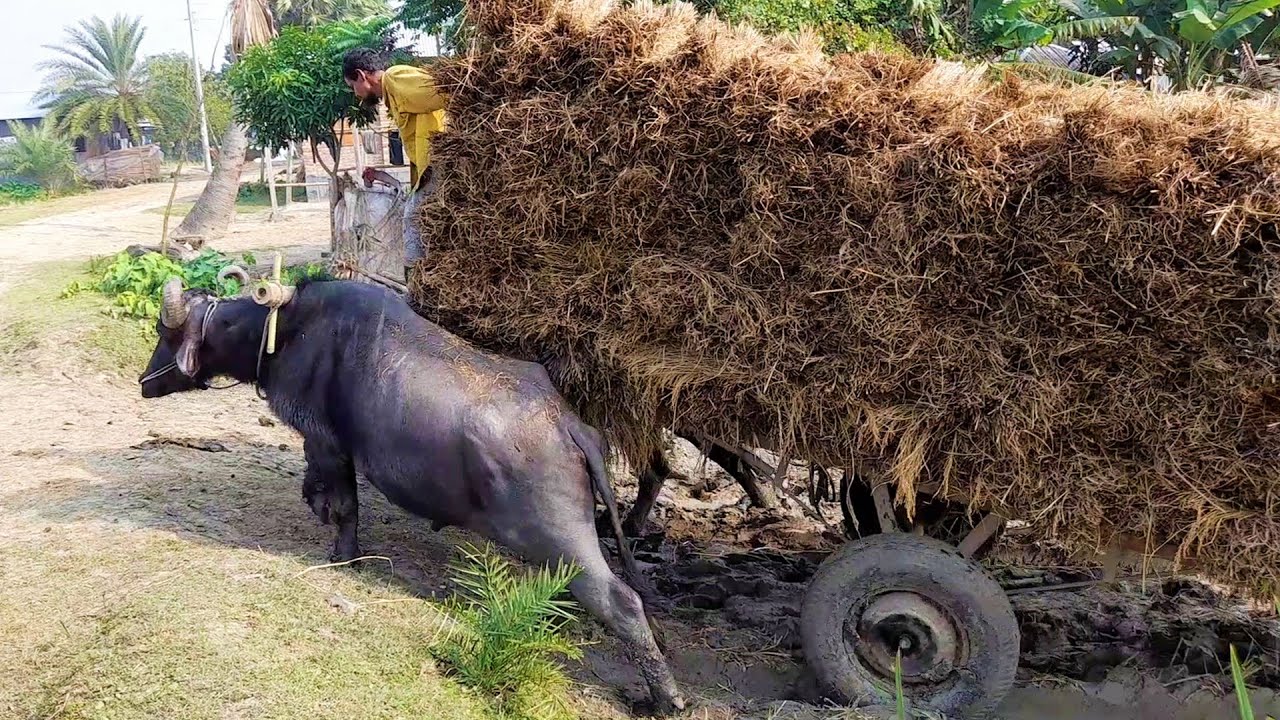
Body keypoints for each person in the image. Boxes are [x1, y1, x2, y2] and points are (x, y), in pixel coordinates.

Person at [342, 48, 447, 279]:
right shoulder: (393, 94)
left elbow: (446, 89)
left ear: (362, 76)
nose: (356, 94)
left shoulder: (396, 78)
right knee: (417, 215)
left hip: (440, 162)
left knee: (413, 216)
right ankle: (423, 277)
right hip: (432, 166)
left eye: (352, 86)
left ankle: (417, 283)